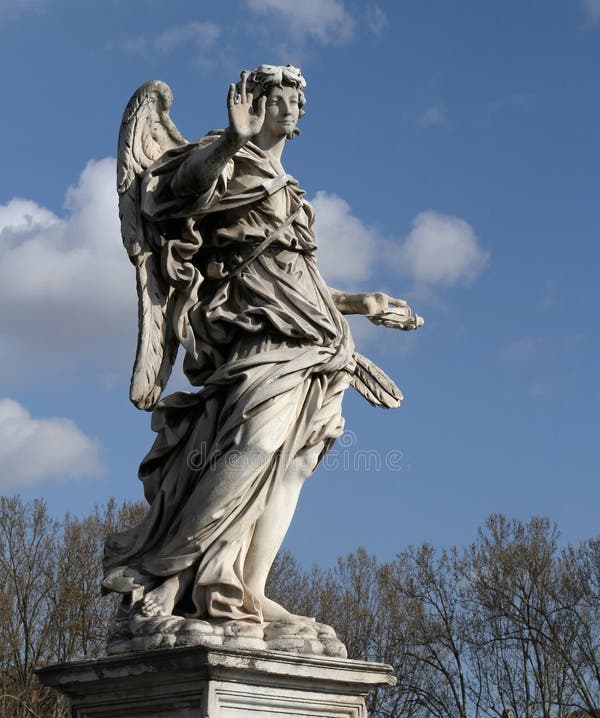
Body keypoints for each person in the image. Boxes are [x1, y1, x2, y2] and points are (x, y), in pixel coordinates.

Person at [103, 64, 422, 625]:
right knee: (251, 451)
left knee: (292, 464)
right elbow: (172, 195)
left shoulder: (292, 192)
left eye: (299, 98)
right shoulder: (224, 159)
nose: (294, 106)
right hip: (258, 338)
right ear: (254, 101)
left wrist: (361, 302)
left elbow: (297, 274)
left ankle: (250, 589)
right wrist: (231, 139)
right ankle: (172, 569)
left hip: (318, 344)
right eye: (281, 97)